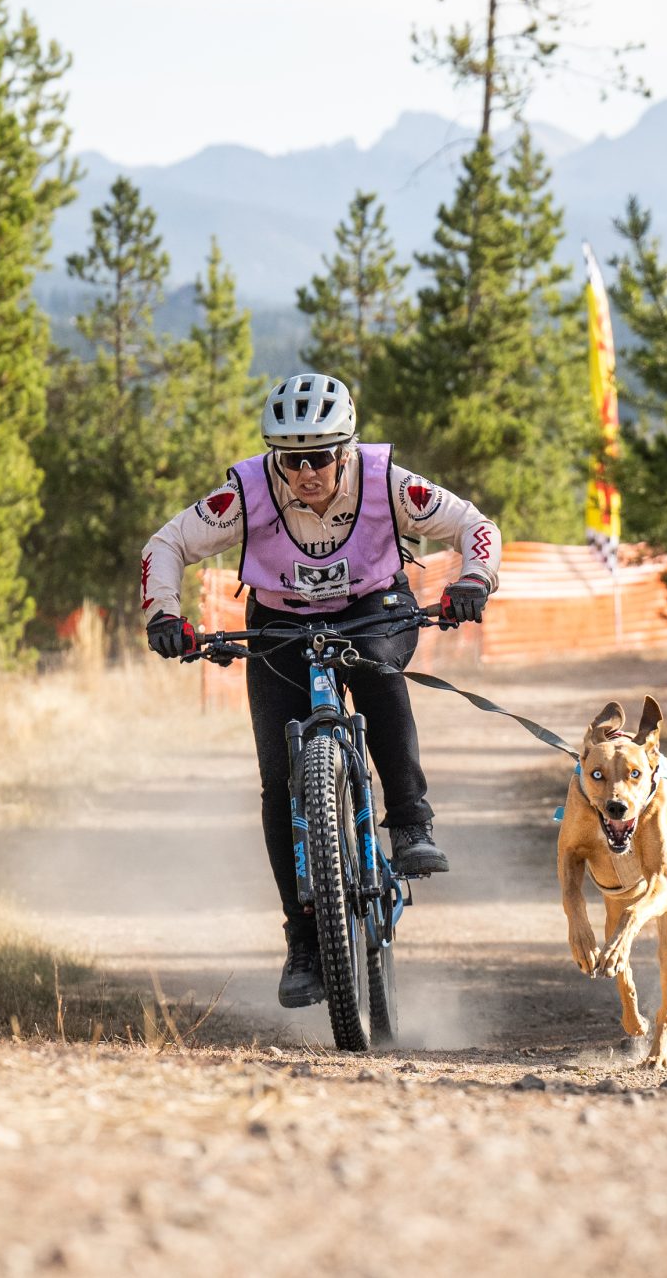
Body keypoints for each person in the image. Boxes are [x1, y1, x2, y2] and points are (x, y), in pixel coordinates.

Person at [140, 373, 500, 1008]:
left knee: (377, 674)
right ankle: (303, 940)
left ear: (346, 450)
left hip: (372, 608)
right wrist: (164, 614)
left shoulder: (388, 482)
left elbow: (474, 525)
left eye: (321, 457)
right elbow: (167, 543)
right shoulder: (246, 494)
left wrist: (474, 579)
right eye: (292, 459)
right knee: (278, 778)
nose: (306, 472)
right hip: (280, 622)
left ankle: (411, 824)